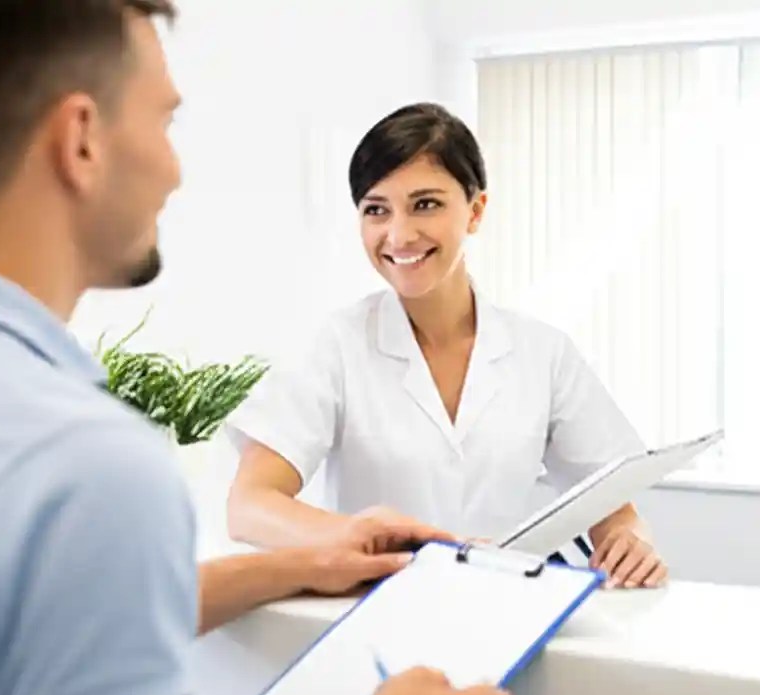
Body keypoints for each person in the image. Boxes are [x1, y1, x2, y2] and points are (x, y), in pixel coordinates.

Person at [0, 4, 512, 695]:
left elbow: (43, 607)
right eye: (164, 123)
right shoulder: (81, 461)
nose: (173, 171)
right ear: (81, 141)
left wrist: (307, 562)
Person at [226, 102, 668, 591]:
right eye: (377, 209)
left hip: (504, 612)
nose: (399, 234)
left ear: (475, 210)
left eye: (425, 204)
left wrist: (629, 541)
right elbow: (250, 507)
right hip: (374, 610)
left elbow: (613, 505)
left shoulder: (543, 353)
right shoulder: (337, 346)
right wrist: (355, 538)